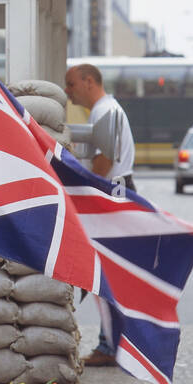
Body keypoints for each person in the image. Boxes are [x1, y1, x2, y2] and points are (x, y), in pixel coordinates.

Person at [63, 63, 136, 368]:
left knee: (103, 274)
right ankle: (117, 343)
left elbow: (103, 163)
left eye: (71, 84)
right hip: (120, 191)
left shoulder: (104, 112)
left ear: (88, 81)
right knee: (111, 274)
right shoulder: (108, 109)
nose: (68, 91)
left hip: (110, 195)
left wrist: (83, 189)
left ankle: (109, 345)